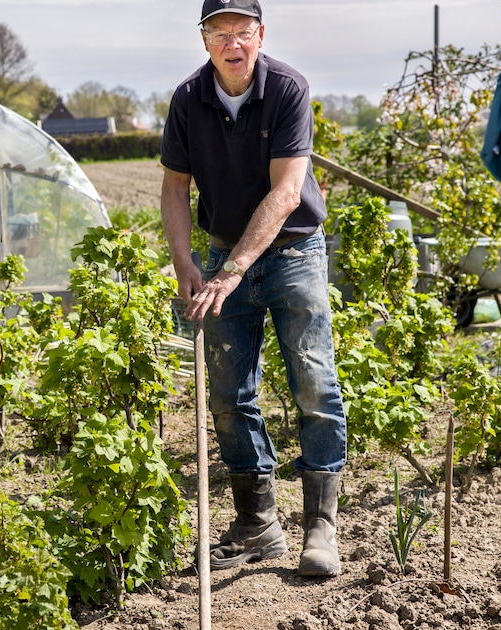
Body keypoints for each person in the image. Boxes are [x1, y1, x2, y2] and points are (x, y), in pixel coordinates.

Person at [159, 0, 347, 578]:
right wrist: (184, 259)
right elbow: (174, 188)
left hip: (292, 252)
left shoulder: (287, 89)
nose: (232, 43)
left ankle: (321, 524)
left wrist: (234, 268)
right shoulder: (188, 100)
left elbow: (288, 191)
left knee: (314, 382)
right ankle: (257, 524)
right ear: (205, 40)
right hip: (221, 257)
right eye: (220, 33)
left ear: (260, 36)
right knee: (227, 394)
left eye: (243, 32)